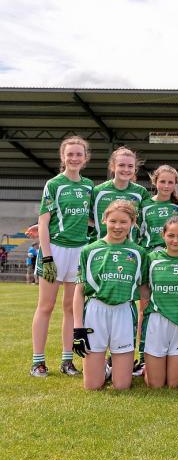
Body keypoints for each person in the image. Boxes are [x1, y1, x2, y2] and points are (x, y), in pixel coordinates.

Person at [31, 136, 94, 377]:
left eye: (79, 154)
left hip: (79, 251)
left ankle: (67, 360)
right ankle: (38, 361)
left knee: (71, 308)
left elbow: (90, 219)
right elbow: (44, 222)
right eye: (70, 154)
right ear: (63, 157)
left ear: (85, 158)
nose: (74, 158)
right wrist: (47, 257)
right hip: (55, 250)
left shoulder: (89, 186)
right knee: (46, 306)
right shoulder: (54, 184)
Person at [72, 200, 147, 390]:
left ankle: (114, 368)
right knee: (92, 386)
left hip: (124, 311)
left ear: (132, 223)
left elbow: (145, 290)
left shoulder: (138, 253)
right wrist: (78, 328)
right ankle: (103, 369)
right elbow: (79, 291)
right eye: (113, 221)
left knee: (122, 386)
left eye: (123, 222)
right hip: (95, 311)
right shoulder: (89, 250)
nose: (118, 226)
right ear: (104, 220)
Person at [135, 165, 178, 376]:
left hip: (174, 260)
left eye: (170, 182)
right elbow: (137, 231)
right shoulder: (144, 205)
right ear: (155, 182)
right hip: (151, 260)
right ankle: (143, 356)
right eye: (162, 181)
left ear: (176, 184)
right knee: (145, 308)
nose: (166, 186)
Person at [141, 216, 178, 389]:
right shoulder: (151, 258)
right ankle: (147, 368)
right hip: (157, 321)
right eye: (171, 235)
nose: (175, 240)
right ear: (163, 235)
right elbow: (143, 288)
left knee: (173, 384)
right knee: (155, 384)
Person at [91, 147, 151, 241]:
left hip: (129, 250)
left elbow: (145, 221)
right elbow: (87, 217)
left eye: (130, 166)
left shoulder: (141, 192)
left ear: (135, 168)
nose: (126, 169)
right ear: (113, 167)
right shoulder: (98, 191)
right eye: (121, 165)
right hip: (100, 248)